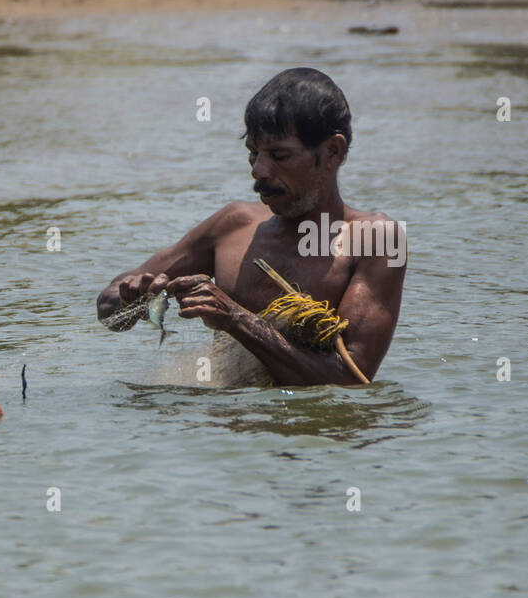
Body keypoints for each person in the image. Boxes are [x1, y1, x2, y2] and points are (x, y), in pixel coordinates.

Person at [96, 68, 406, 386]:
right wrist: (129, 298)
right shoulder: (233, 225)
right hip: (226, 431)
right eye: (253, 154)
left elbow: (352, 378)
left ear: (332, 152)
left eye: (279, 155)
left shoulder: (375, 240)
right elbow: (108, 309)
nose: (258, 171)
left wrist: (236, 319)